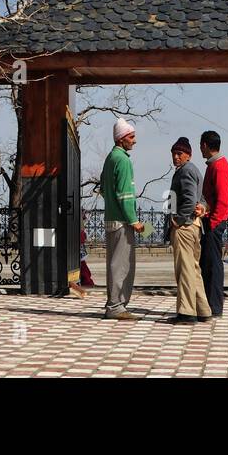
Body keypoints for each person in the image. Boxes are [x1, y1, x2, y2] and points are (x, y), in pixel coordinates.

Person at [99, 118, 145, 320]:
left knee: (113, 263)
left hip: (110, 218)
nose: (134, 141)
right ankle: (116, 306)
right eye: (131, 137)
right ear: (122, 139)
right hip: (122, 222)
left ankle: (113, 303)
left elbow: (103, 189)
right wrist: (134, 220)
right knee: (122, 265)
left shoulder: (110, 159)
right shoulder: (123, 161)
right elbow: (126, 195)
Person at [168, 137, 211, 323]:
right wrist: (202, 206)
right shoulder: (194, 170)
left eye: (180, 154)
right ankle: (203, 309)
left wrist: (178, 220)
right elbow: (200, 198)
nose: (176, 157)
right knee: (193, 269)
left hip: (185, 227)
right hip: (194, 226)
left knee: (184, 269)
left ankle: (187, 312)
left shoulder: (185, 171)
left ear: (188, 155)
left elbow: (189, 198)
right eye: (174, 154)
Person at [195, 129, 228, 318]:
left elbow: (223, 200)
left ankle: (215, 306)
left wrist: (213, 221)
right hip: (211, 221)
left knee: (213, 265)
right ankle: (209, 304)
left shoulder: (219, 167)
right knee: (208, 264)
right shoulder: (215, 165)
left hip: (214, 223)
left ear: (204, 145)